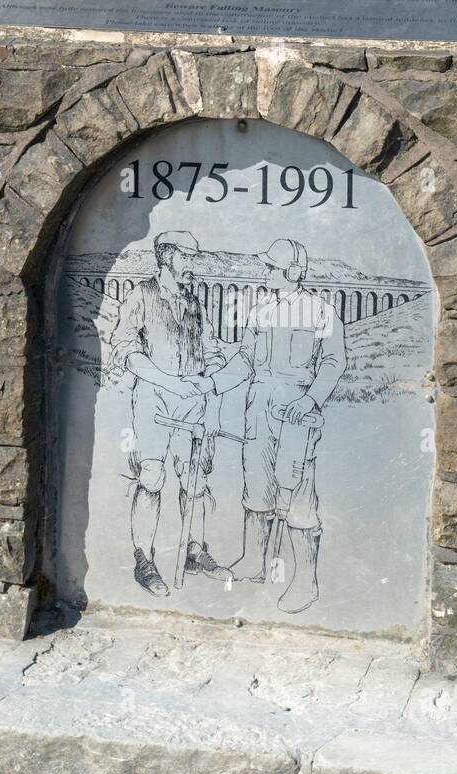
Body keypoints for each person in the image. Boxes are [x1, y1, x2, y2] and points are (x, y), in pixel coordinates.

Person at [207, 238, 346, 613]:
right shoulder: (261, 311)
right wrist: (212, 383)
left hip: (297, 411)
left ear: (294, 272)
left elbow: (334, 362)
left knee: (298, 494)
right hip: (259, 408)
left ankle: (306, 581)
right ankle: (254, 562)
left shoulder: (320, 311)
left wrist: (311, 399)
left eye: (272, 267)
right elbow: (246, 359)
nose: (266, 272)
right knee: (257, 485)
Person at [108, 231, 228, 596]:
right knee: (152, 476)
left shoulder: (194, 303)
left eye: (195, 258)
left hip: (192, 399)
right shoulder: (142, 295)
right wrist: (168, 381)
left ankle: (193, 550)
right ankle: (144, 560)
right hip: (154, 398)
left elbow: (211, 349)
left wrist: (213, 377)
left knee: (195, 480)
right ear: (166, 258)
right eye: (187, 258)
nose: (193, 265)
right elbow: (125, 347)